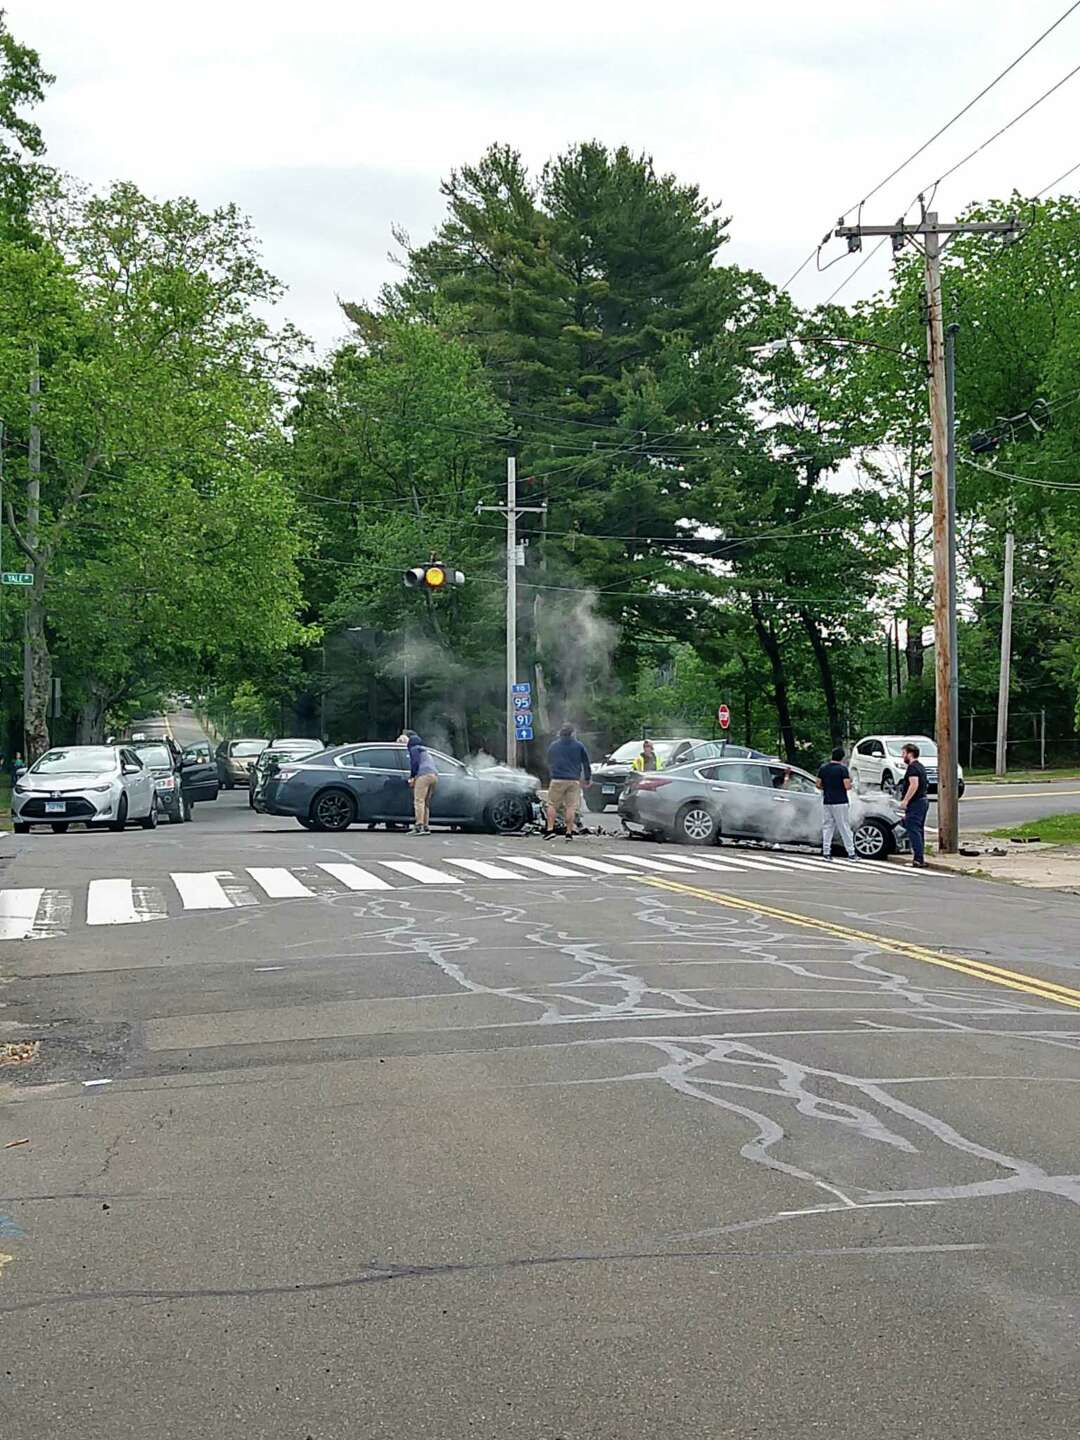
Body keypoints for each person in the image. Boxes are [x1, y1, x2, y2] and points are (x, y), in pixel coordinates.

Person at [545, 722, 591, 840]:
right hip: (573, 780)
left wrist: (552, 773)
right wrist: (587, 778)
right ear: (572, 733)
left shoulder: (554, 746)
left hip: (557, 779)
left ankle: (550, 830)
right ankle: (569, 832)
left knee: (552, 805)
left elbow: (549, 760)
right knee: (570, 807)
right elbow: (586, 763)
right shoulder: (579, 746)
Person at [816, 745, 857, 860]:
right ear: (842, 758)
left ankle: (826, 852)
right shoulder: (842, 769)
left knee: (827, 827)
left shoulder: (823, 768)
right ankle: (851, 853)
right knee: (844, 827)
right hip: (840, 801)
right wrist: (852, 784)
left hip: (827, 801)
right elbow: (847, 786)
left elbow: (818, 784)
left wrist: (827, 788)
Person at [899, 741, 929, 868]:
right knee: (918, 830)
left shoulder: (913, 768)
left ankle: (918, 859)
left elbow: (914, 784)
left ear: (910, 754)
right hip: (922, 801)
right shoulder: (920, 766)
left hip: (916, 803)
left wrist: (905, 800)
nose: (902, 756)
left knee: (913, 830)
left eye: (903, 753)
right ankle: (919, 857)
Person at [405, 732, 438, 835]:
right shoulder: (425, 751)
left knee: (419, 800)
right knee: (426, 802)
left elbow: (414, 763)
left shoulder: (414, 749)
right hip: (434, 776)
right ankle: (426, 826)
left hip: (423, 775)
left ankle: (418, 826)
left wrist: (412, 777)